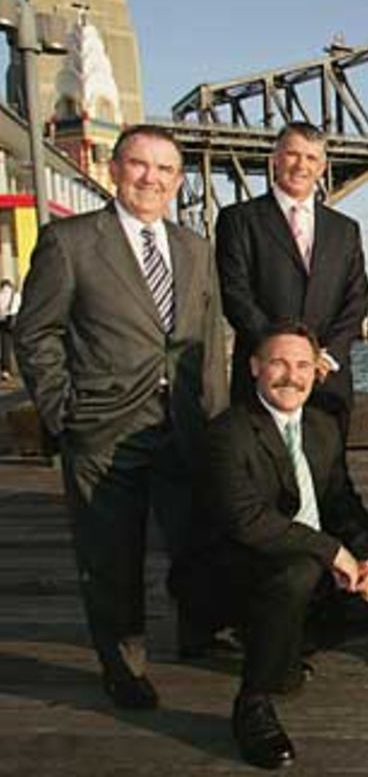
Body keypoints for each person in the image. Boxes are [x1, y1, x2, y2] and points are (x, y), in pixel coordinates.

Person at [14, 125, 228, 709]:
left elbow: (209, 341)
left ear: (178, 181)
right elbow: (36, 333)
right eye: (139, 164)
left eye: (165, 169)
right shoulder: (71, 241)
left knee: (195, 538)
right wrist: (63, 410)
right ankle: (124, 665)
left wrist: (216, 422)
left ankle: (198, 633)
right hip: (104, 425)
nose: (151, 178)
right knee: (111, 556)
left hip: (183, 422)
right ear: (114, 170)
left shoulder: (195, 248)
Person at [187, 322, 368, 769]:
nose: (291, 376)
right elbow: (249, 522)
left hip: (308, 561)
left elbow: (342, 503)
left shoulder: (322, 427)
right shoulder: (227, 433)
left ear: (317, 371)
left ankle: (288, 647)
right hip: (234, 569)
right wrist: (332, 552)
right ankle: (253, 702)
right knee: (298, 571)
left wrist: (365, 558)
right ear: (254, 367)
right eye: (278, 363)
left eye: (302, 365)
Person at [215, 121, 368, 436]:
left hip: (328, 379)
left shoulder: (345, 229)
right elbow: (234, 294)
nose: (301, 165)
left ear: (322, 167)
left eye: (311, 158)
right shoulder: (239, 220)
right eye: (292, 155)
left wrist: (327, 356)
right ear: (275, 159)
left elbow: (356, 299)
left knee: (328, 464)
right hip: (264, 376)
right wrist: (283, 356)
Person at [0, 278, 19, 382]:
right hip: (10, 320)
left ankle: (5, 369)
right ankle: (8, 369)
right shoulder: (15, 295)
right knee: (10, 345)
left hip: (3, 319)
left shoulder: (1, 294)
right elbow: (16, 308)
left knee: (5, 345)